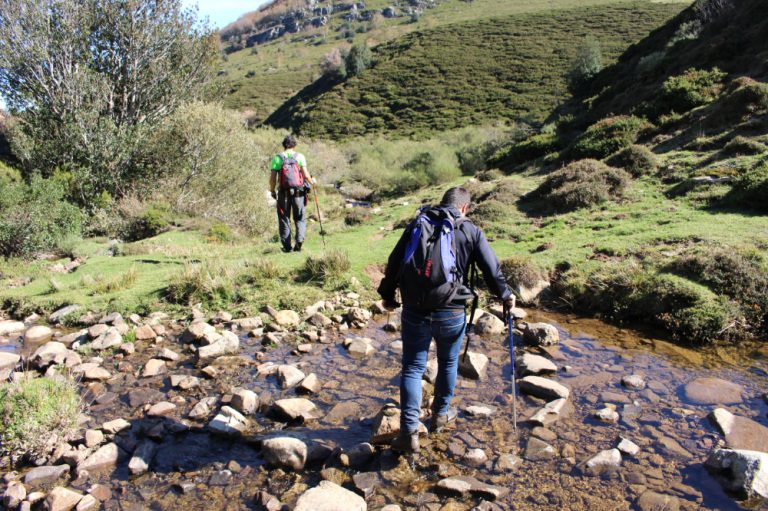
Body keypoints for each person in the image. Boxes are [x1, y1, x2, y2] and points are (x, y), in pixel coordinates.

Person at [378, 186, 515, 453]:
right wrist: (506, 295)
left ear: (442, 203)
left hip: (415, 309)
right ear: (465, 207)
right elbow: (491, 268)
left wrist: (387, 294)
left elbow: (395, 260)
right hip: (452, 311)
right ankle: (440, 417)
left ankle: (408, 433)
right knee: (448, 362)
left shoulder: (419, 222)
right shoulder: (470, 230)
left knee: (413, 368)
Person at [269, 135, 315, 252]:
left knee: (284, 218)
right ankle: (299, 240)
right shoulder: (300, 157)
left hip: (283, 192)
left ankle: (287, 246)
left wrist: (272, 190)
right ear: (294, 145)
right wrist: (312, 182)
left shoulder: (277, 158)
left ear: (284, 145)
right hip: (299, 192)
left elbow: (273, 178)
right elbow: (305, 174)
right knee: (299, 217)